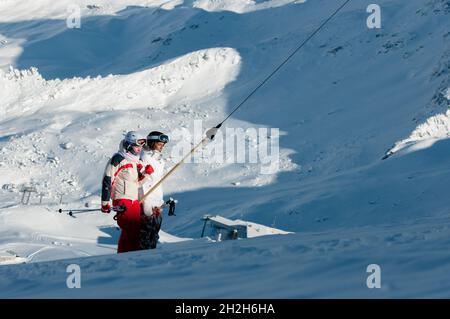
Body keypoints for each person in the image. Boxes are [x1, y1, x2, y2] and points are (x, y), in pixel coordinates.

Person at [101, 131, 154, 253]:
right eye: (136, 146)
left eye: (140, 146)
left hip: (134, 200)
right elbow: (107, 179)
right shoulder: (118, 159)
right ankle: (124, 257)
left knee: (136, 230)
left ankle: (133, 257)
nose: (139, 149)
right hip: (122, 199)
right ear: (129, 145)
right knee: (129, 229)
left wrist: (146, 173)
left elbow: (138, 183)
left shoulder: (136, 161)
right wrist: (105, 202)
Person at [139, 131, 169, 249]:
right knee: (145, 236)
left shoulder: (159, 160)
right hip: (146, 201)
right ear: (151, 143)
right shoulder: (143, 157)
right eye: (159, 144)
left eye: (163, 144)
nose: (162, 146)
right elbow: (140, 180)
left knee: (154, 235)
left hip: (157, 201)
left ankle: (150, 258)